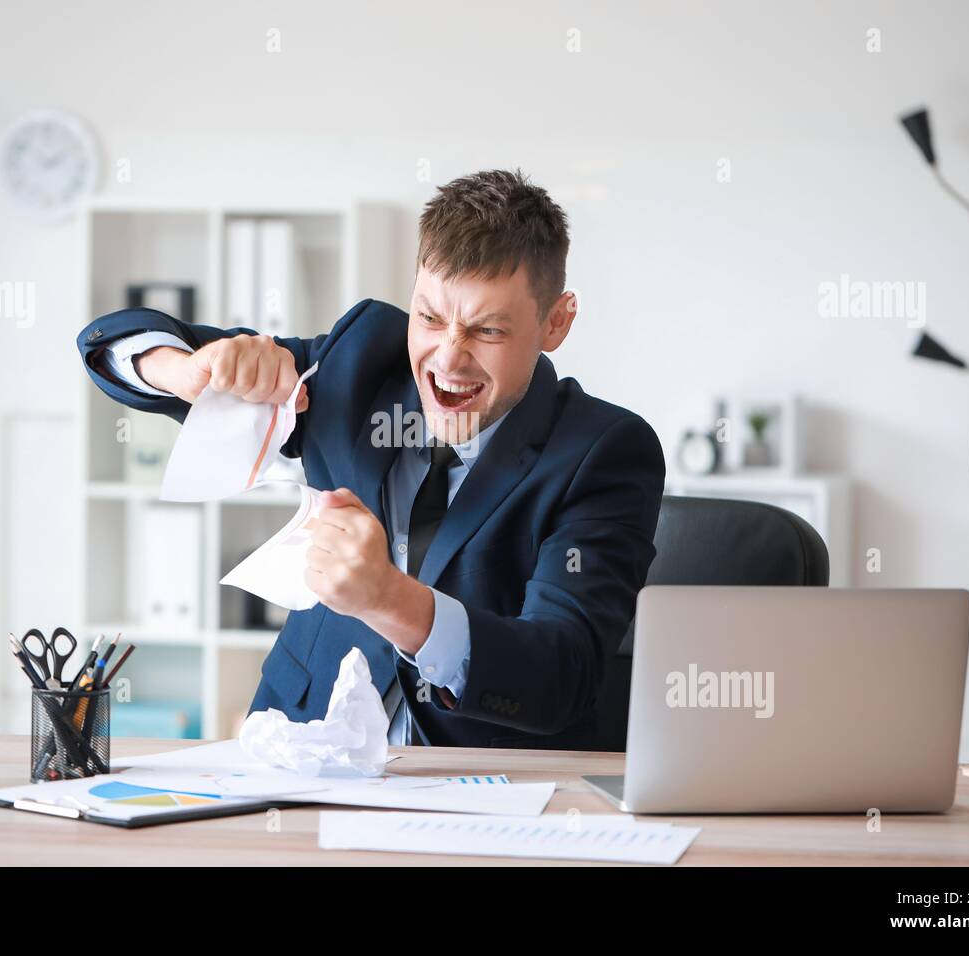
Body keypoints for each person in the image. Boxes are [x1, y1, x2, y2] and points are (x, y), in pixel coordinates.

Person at [77, 169, 665, 750]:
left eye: (487, 331)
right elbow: (109, 345)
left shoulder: (604, 452)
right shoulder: (360, 365)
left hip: (483, 784)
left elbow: (563, 674)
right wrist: (188, 372)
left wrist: (390, 599)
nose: (448, 360)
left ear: (556, 321)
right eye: (430, 318)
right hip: (300, 750)